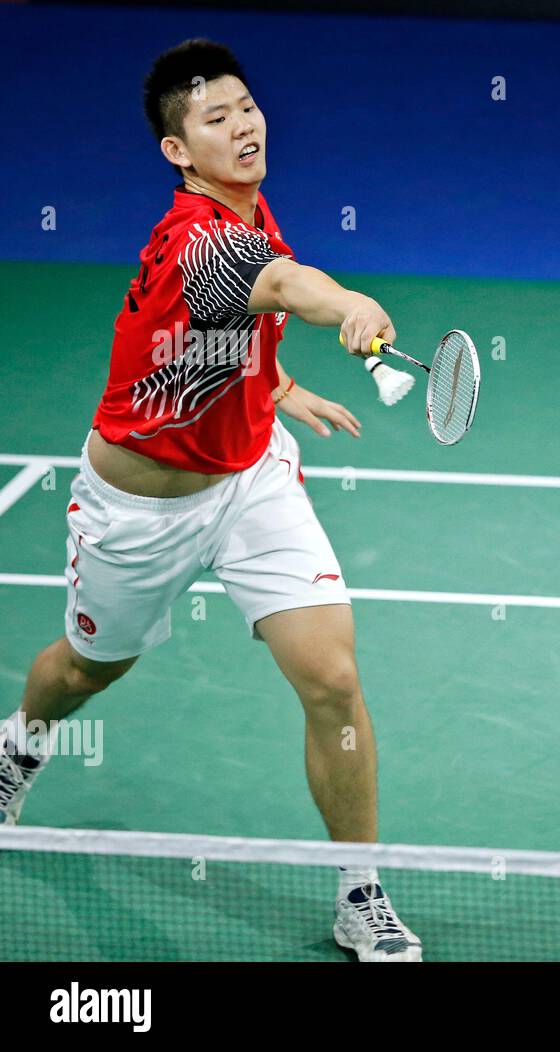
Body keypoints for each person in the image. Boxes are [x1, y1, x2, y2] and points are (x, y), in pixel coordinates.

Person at [0, 39, 421, 961]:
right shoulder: (204, 242)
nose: (243, 124)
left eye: (246, 105)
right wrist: (345, 299)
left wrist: (275, 387)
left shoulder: (248, 206)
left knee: (334, 679)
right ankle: (19, 745)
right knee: (83, 672)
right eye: (216, 118)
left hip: (249, 476)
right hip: (139, 509)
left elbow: (227, 328)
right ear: (177, 151)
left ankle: (362, 892)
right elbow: (277, 284)